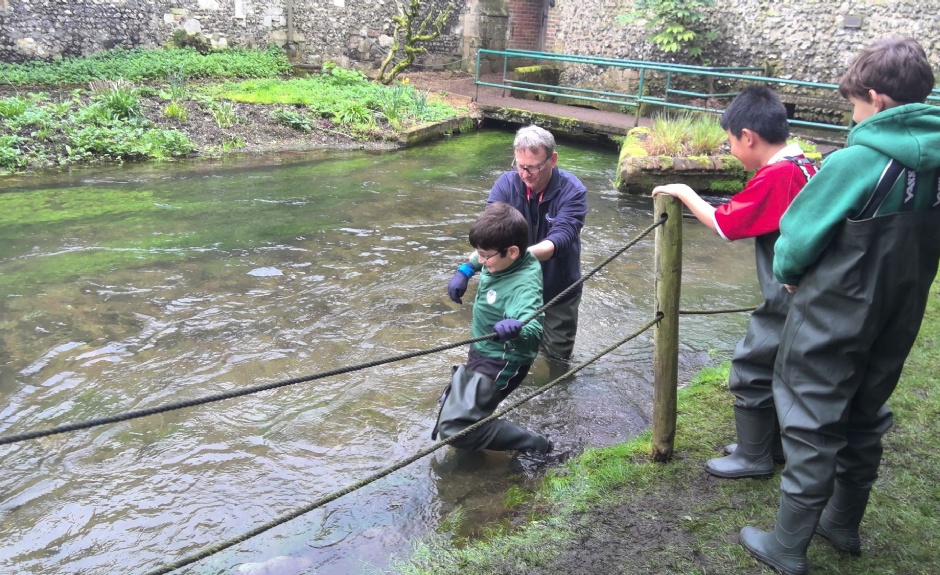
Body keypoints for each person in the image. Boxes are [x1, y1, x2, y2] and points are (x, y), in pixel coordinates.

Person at [739, 38, 940, 575]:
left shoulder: (857, 161)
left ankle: (787, 546)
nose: (853, 115)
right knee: (866, 408)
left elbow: (796, 241)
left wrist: (789, 276)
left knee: (811, 414)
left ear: (876, 99)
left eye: (854, 104)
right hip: (901, 310)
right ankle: (842, 523)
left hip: (836, 310)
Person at [651, 86, 816, 479]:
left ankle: (752, 457)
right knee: (779, 367)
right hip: (806, 291)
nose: (730, 150)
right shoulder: (805, 165)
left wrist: (684, 191)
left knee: (752, 364)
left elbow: (726, 224)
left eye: (730, 143)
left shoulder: (778, 175)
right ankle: (767, 445)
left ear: (748, 137)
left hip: (786, 297)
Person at [447, 125, 588, 361]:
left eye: (533, 167)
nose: (524, 174)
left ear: (552, 160)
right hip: (510, 286)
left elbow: (561, 239)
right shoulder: (506, 185)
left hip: (557, 289)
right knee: (506, 348)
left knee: (556, 356)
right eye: (520, 166)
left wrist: (512, 255)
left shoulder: (573, 191)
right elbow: (491, 236)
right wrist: (468, 268)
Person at [432, 202, 552, 454]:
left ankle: (536, 445)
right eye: (479, 253)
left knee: (455, 429)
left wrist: (517, 329)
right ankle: (477, 448)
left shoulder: (525, 285)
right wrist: (465, 270)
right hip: (481, 349)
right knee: (457, 411)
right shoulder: (499, 257)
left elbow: (533, 335)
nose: (482, 260)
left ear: (513, 251)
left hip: (503, 360)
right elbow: (480, 256)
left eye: (486, 256)